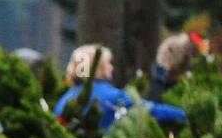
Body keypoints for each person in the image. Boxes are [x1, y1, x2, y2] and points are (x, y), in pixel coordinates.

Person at [54, 42, 187, 130]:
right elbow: (149, 111)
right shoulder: (112, 96)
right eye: (108, 63)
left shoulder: (64, 100)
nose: (112, 67)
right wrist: (185, 115)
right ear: (97, 67)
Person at [148, 32, 202, 101]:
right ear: (190, 41)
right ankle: (152, 102)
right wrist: (166, 67)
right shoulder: (177, 43)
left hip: (173, 69)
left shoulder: (189, 50)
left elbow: (187, 63)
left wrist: (186, 72)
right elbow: (165, 53)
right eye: (194, 44)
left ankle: (163, 102)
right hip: (162, 65)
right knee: (159, 84)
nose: (195, 46)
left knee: (171, 86)